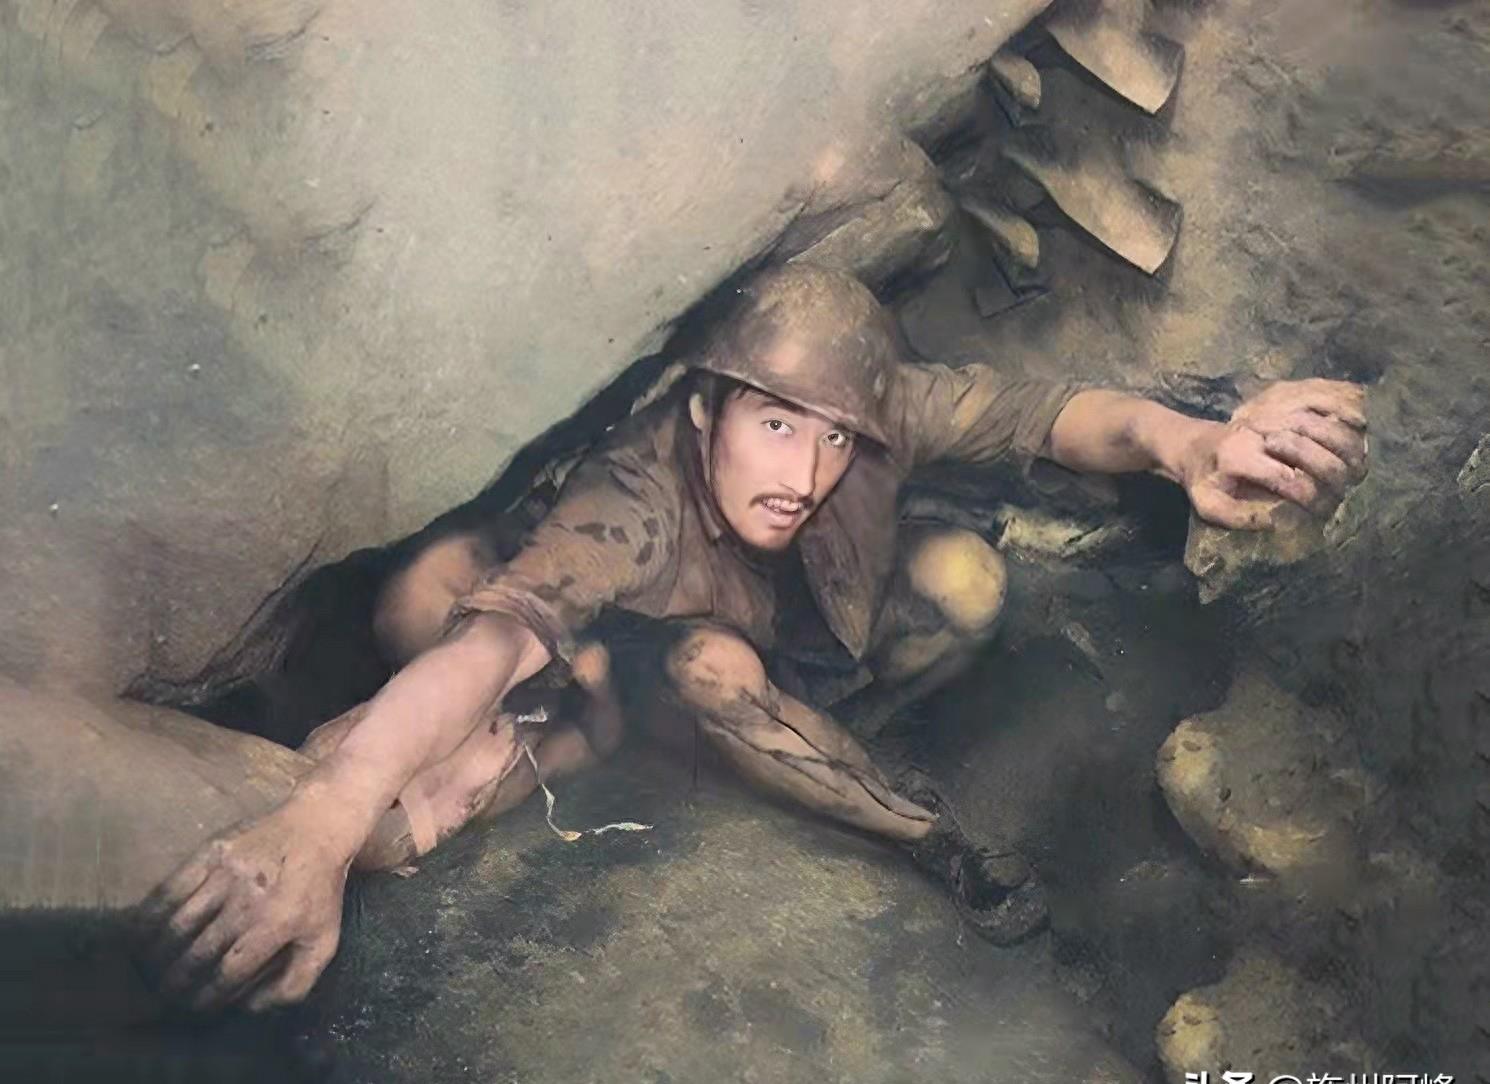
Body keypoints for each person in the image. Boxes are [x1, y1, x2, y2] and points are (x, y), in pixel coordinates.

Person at [136, 264, 1368, 1012]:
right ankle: (919, 829)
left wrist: (1186, 441)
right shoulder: (629, 497)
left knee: (964, 583)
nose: (808, 467)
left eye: (832, 436)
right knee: (620, 677)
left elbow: (1051, 415)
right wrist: (325, 816)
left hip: (822, 632)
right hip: (671, 655)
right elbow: (494, 639)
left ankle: (861, 759)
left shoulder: (877, 419)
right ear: (708, 405)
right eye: (777, 427)